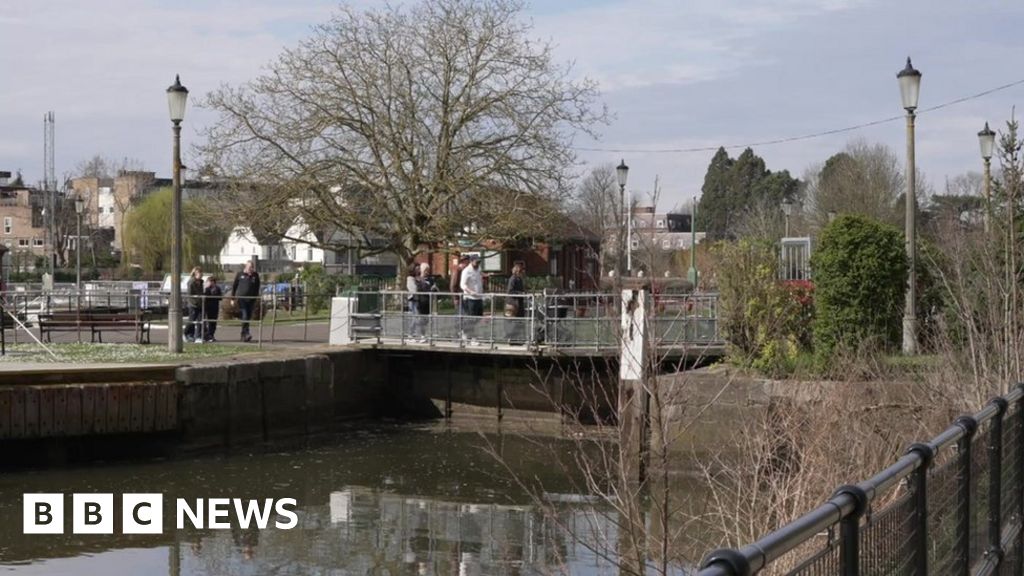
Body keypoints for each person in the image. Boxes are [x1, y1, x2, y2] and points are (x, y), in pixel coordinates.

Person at [231, 260, 260, 342]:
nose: (251, 269)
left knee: (248, 316)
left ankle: (244, 335)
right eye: (249, 267)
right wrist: (232, 298)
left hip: (251, 299)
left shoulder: (255, 275)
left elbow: (257, 287)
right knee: (245, 315)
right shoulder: (240, 274)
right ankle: (246, 333)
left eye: (252, 267)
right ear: (246, 267)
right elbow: (234, 286)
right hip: (241, 299)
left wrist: (255, 297)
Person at [459, 254, 484, 345]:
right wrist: (470, 291)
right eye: (476, 262)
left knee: (479, 317)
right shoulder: (466, 271)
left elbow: (479, 278)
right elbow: (462, 285)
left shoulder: (479, 269)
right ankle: (471, 338)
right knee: (472, 318)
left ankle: (465, 331)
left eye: (479, 262)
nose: (478, 263)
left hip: (479, 297)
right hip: (470, 298)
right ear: (471, 261)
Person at [413, 263, 436, 342]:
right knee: (421, 319)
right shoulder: (418, 279)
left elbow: (434, 289)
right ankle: (422, 335)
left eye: (428, 270)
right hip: (421, 302)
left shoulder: (430, 279)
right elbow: (421, 289)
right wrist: (430, 289)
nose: (427, 272)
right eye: (426, 270)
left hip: (428, 302)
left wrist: (434, 289)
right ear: (422, 270)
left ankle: (425, 335)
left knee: (427, 319)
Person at [505, 262, 526, 344]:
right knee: (512, 322)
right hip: (512, 304)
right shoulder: (513, 279)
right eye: (521, 270)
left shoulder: (519, 279)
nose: (523, 272)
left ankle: (517, 339)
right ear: (517, 271)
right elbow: (510, 291)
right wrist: (521, 293)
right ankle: (511, 339)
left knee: (519, 322)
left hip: (519, 303)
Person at [184, 267, 204, 343]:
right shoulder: (191, 282)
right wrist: (194, 302)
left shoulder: (201, 282)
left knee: (200, 320)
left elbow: (201, 292)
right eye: (199, 273)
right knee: (192, 320)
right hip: (193, 304)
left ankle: (198, 336)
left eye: (201, 272)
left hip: (200, 304)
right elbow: (189, 294)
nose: (201, 274)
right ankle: (186, 333)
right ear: (195, 273)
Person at [202, 276, 223, 342]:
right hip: (207, 307)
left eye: (212, 281)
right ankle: (206, 335)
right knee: (206, 321)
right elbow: (204, 296)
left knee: (213, 322)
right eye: (209, 281)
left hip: (214, 307)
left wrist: (215, 295)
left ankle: (211, 335)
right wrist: (206, 288)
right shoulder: (206, 288)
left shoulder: (217, 288)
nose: (211, 283)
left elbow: (220, 297)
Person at [405, 263, 419, 338]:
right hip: (413, 300)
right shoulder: (410, 279)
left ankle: (414, 333)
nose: (418, 270)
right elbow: (414, 290)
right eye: (417, 269)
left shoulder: (417, 278)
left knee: (417, 316)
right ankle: (410, 333)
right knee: (414, 317)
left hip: (417, 300)